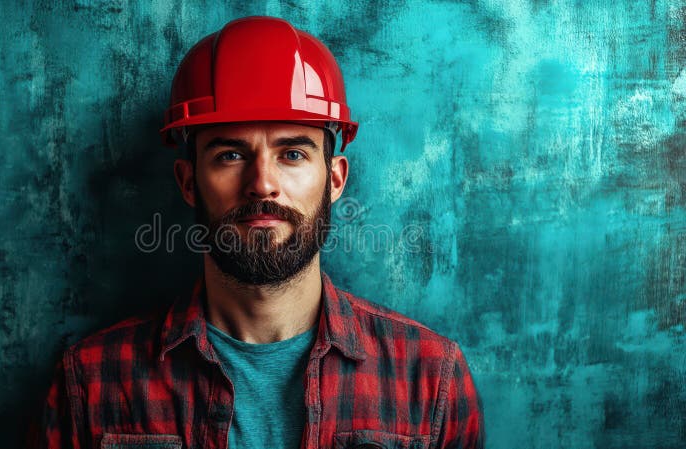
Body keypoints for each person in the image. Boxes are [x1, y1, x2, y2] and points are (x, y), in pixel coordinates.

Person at [30, 16, 484, 449]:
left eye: (292, 154)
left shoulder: (429, 380)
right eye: (230, 155)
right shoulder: (90, 383)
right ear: (189, 182)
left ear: (336, 179)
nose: (262, 182)